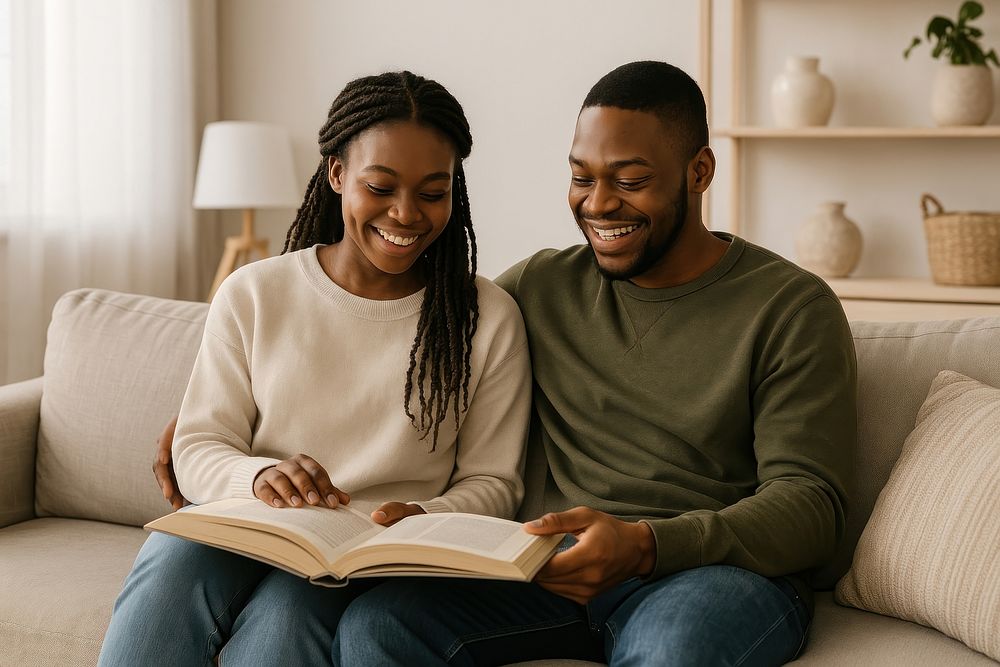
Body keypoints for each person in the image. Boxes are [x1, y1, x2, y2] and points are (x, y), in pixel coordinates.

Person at [326, 61, 858, 665]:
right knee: (380, 625)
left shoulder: (791, 307)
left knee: (670, 651)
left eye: (630, 181)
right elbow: (396, 346)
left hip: (711, 576)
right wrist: (210, 442)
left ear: (699, 172)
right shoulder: (540, 287)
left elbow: (813, 505)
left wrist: (645, 545)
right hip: (551, 570)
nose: (598, 205)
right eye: (582, 177)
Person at [99, 70, 532, 667]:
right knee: (172, 559)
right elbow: (199, 445)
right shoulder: (254, 293)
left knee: (287, 620)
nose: (406, 214)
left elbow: (496, 483)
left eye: (434, 192)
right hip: (250, 527)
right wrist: (259, 476)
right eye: (380, 186)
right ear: (336, 174)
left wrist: (423, 515)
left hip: (370, 553)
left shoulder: (487, 318)